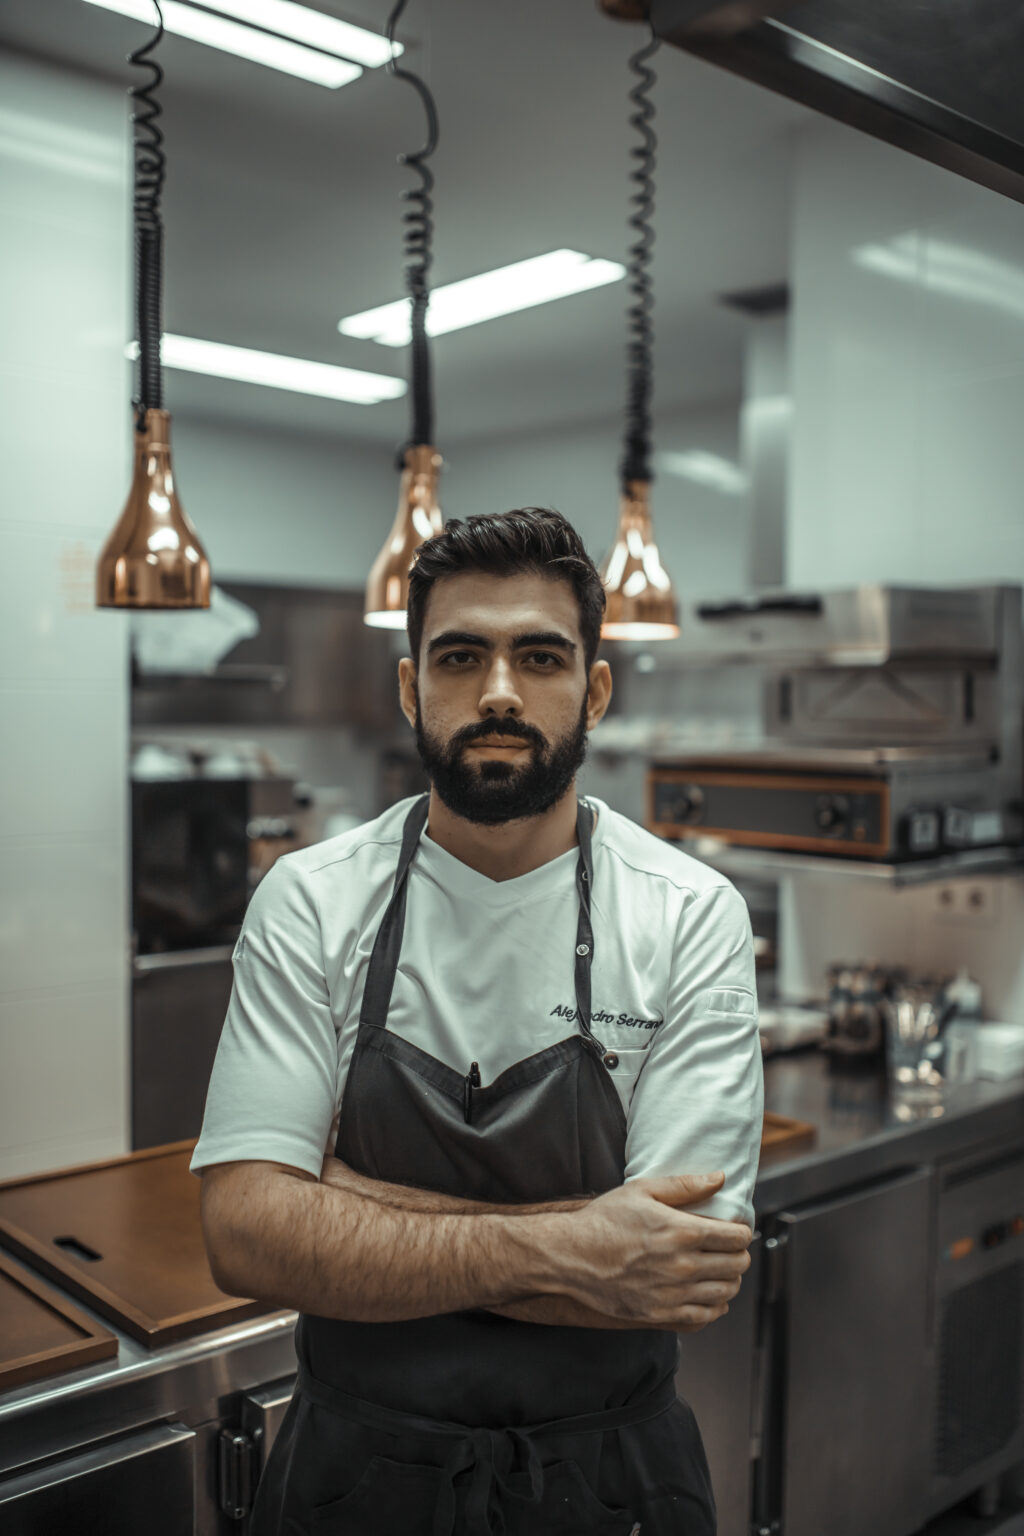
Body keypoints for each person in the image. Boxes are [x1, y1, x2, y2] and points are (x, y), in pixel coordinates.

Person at [193, 507, 763, 1536]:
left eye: (538, 656)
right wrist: (586, 1244)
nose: (498, 692)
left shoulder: (686, 912)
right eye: (461, 655)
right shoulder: (314, 900)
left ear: (592, 688)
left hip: (612, 1482)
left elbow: (675, 1271)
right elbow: (244, 1235)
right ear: (413, 687)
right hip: (352, 1476)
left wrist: (344, 1210)